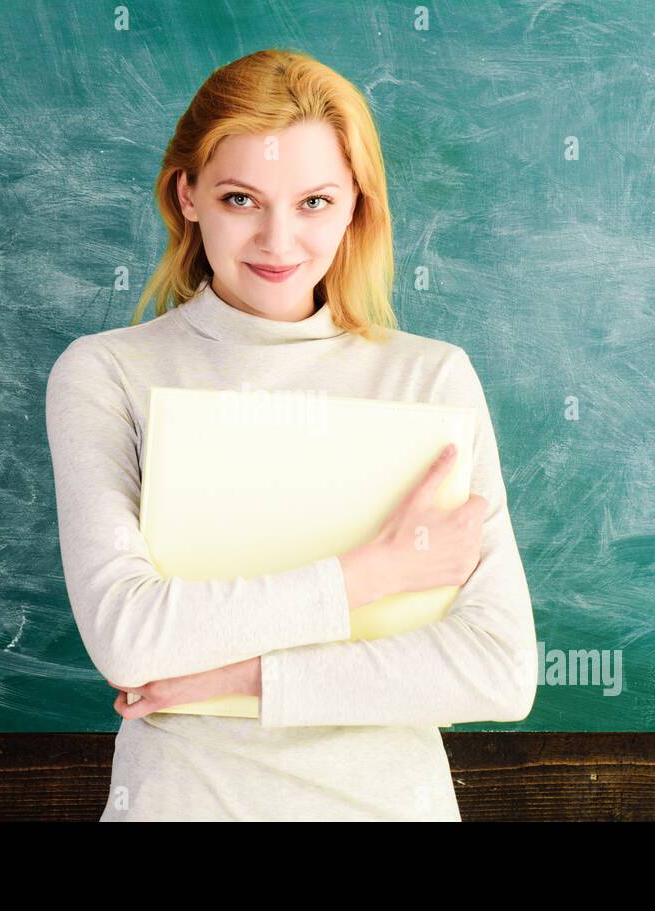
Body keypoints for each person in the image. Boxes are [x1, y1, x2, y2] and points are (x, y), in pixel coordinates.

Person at [45, 48, 536, 821]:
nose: (279, 241)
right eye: (242, 198)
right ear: (189, 195)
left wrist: (235, 677)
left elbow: (498, 669)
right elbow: (132, 639)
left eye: (314, 202)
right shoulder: (107, 373)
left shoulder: (430, 380)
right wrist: (367, 575)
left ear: (355, 207)